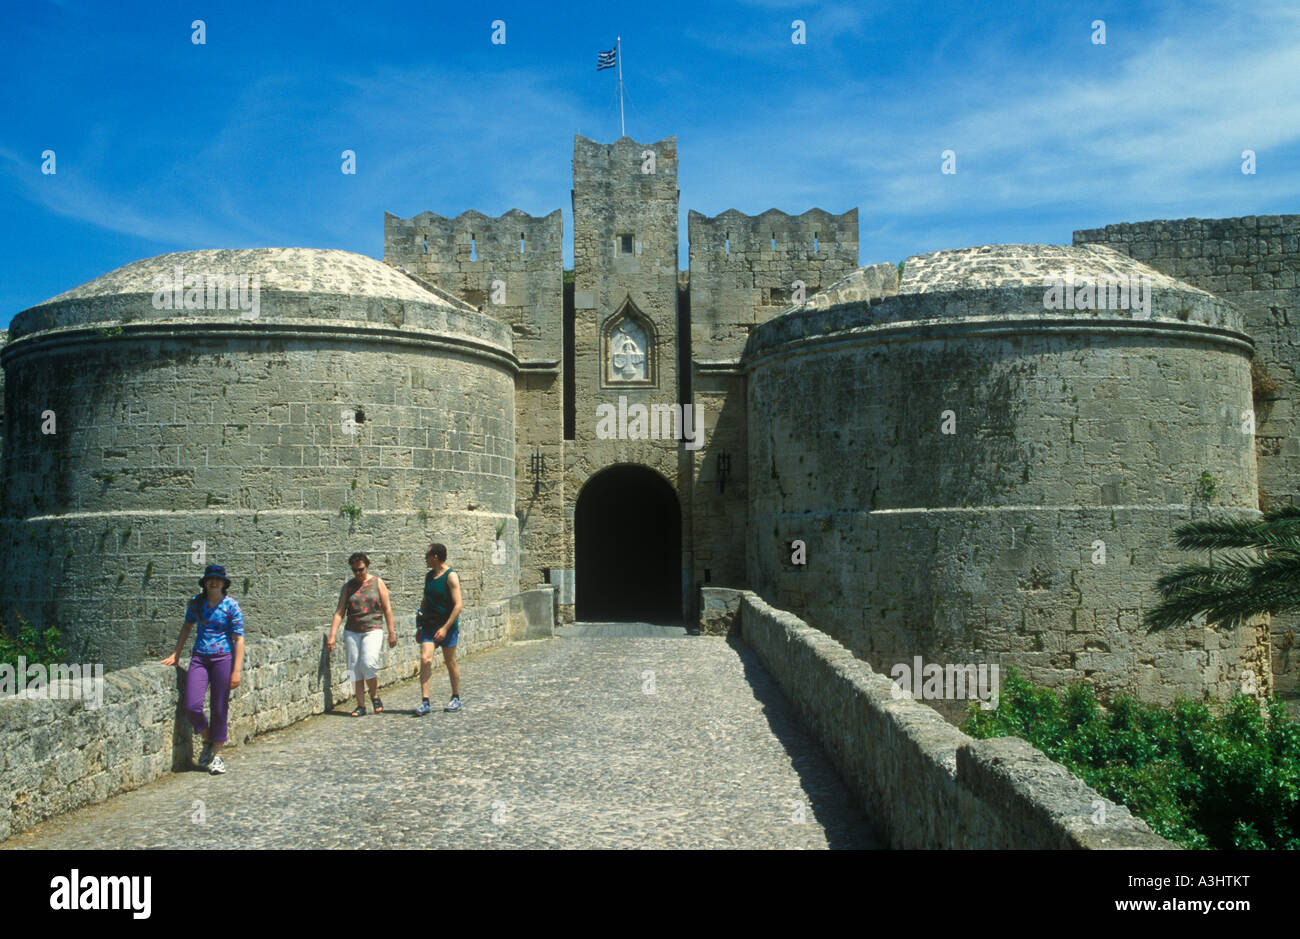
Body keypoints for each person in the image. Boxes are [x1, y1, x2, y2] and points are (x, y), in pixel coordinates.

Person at [161, 564, 245, 775]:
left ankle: (217, 755)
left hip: (223, 658)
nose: (214, 582)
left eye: (218, 580)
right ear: (205, 583)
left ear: (223, 584)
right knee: (193, 706)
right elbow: (187, 627)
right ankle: (207, 737)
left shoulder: (231, 606)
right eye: (210, 579)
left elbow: (239, 639)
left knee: (219, 707)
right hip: (200, 658)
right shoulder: (197, 604)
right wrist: (176, 654)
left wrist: (237, 670)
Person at [327, 552, 397, 716]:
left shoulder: (377, 583)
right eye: (355, 570)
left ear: (367, 566)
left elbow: (387, 608)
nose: (358, 573)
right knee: (354, 668)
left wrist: (391, 632)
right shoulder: (348, 587)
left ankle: (374, 695)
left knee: (368, 662)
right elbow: (339, 612)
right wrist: (332, 636)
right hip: (352, 630)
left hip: (373, 628)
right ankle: (360, 705)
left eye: (361, 569)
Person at [414, 542, 463, 715]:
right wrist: (419, 622)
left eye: (426, 556)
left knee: (450, 662)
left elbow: (458, 606)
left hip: (447, 626)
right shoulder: (429, 577)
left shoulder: (451, 576)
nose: (425, 559)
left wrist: (445, 628)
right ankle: (425, 701)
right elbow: (424, 602)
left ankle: (455, 696)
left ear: (435, 557)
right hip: (429, 624)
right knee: (425, 659)